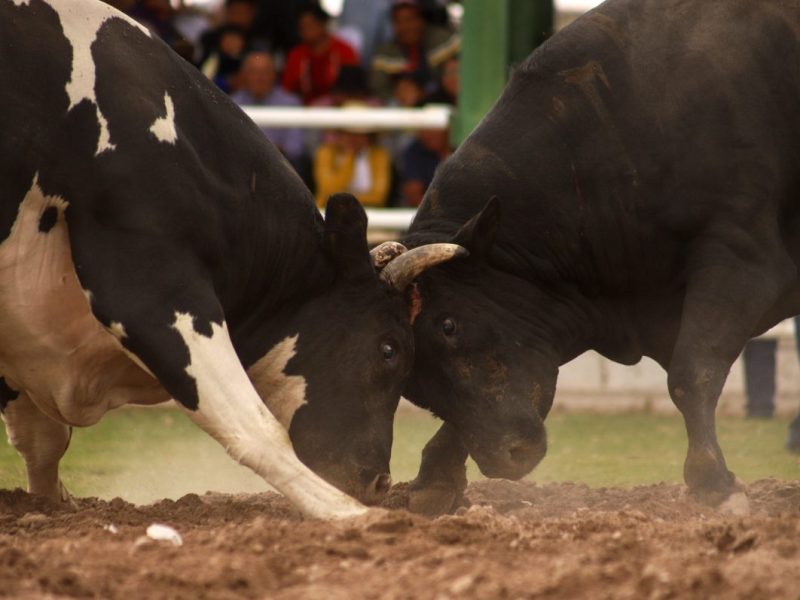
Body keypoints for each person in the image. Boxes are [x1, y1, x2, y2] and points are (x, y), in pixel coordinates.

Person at [370, 0, 460, 101]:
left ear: (421, 20)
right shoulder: (385, 53)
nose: (405, 27)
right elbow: (378, 87)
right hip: (408, 113)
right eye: (398, 21)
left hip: (447, 104)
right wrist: (396, 94)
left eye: (409, 19)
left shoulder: (443, 40)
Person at [230, 52, 306, 172]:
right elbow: (229, 146)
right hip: (241, 169)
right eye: (253, 72)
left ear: (274, 75)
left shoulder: (290, 103)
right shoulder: (232, 103)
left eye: (265, 72)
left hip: (282, 170)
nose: (259, 78)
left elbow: (295, 149)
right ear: (244, 75)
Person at [281, 5, 360, 105]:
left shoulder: (344, 51)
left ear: (323, 23)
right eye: (302, 27)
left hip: (339, 109)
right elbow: (287, 90)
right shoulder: (296, 55)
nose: (306, 31)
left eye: (310, 25)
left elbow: (356, 88)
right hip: (304, 111)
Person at [314, 108, 391, 209]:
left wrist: (344, 200)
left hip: (368, 215)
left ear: (369, 137)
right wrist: (349, 157)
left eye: (360, 134)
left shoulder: (379, 155)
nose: (353, 138)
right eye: (348, 133)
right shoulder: (325, 153)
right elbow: (327, 190)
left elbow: (378, 196)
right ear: (339, 134)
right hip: (331, 214)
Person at [399, 125, 451, 207]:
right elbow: (414, 198)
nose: (427, 135)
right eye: (422, 130)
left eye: (432, 128)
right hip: (430, 216)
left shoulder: (465, 148)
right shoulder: (414, 152)